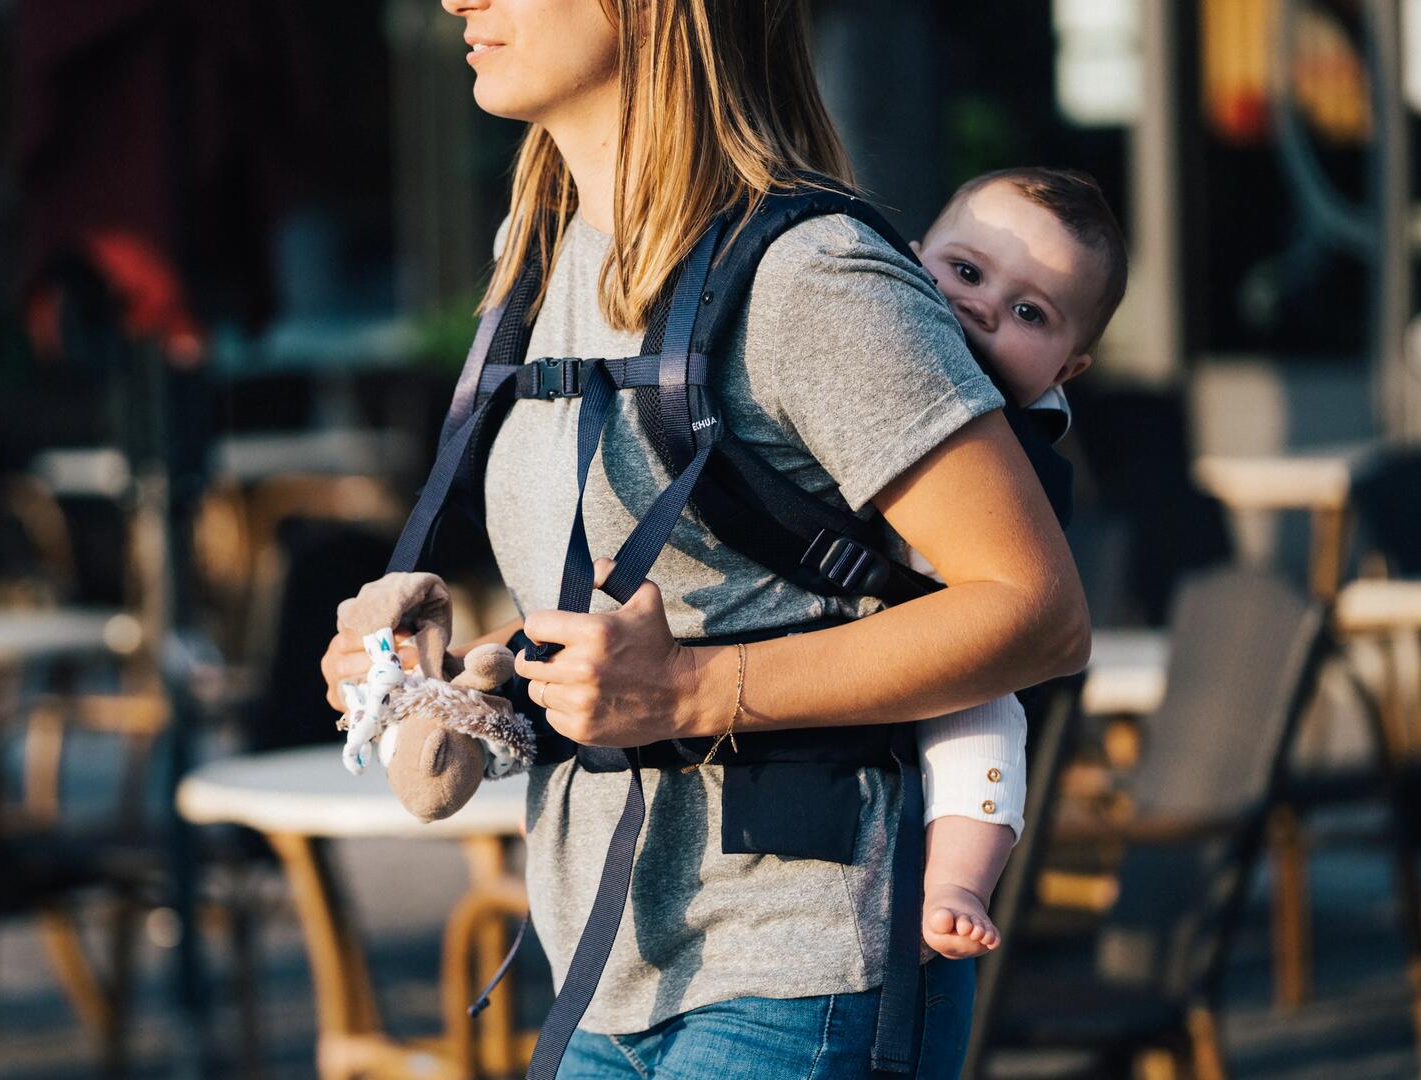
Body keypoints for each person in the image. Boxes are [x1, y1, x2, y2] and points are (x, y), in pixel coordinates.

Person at [321, 2, 1089, 1076]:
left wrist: (688, 693)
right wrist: (432, 677)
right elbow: (679, 604)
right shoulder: (536, 266)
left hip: (803, 973)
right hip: (601, 963)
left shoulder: (814, 277)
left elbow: (1038, 612)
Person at [906, 166, 1128, 960]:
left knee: (988, 719)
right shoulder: (857, 365)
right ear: (906, 259)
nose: (981, 306)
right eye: (964, 271)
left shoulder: (1028, 451)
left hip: (942, 646)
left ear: (1066, 371)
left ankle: (959, 882)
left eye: (1029, 313)